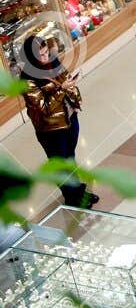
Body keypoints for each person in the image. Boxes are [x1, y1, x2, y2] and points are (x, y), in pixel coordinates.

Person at [20, 35, 96, 209]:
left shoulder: (53, 62)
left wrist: (76, 100)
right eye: (40, 55)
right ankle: (72, 198)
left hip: (69, 119)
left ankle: (79, 192)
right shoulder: (27, 80)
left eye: (46, 52)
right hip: (51, 130)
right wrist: (61, 90)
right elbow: (43, 108)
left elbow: (68, 80)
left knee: (70, 158)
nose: (45, 57)